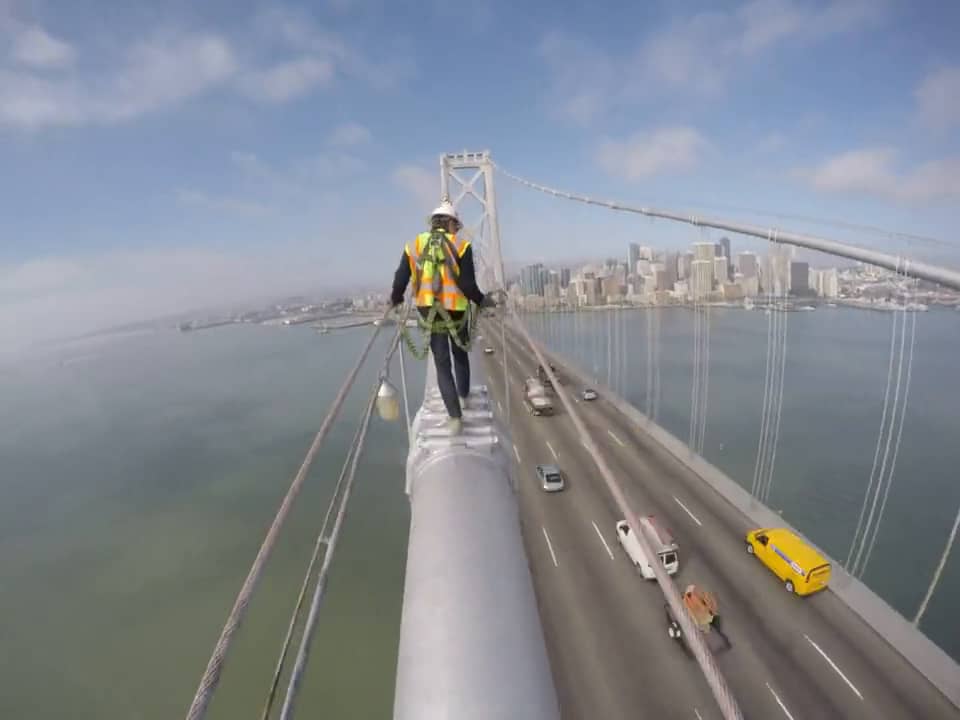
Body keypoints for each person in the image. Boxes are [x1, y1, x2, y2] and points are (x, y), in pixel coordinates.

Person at [390, 199, 495, 433]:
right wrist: (482, 300)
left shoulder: (414, 245)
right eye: (456, 225)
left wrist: (395, 299)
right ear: (450, 223)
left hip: (429, 309)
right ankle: (464, 397)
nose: (457, 230)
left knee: (442, 363)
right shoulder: (462, 246)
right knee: (460, 352)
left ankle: (455, 417)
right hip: (456, 309)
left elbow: (401, 278)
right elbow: (467, 284)